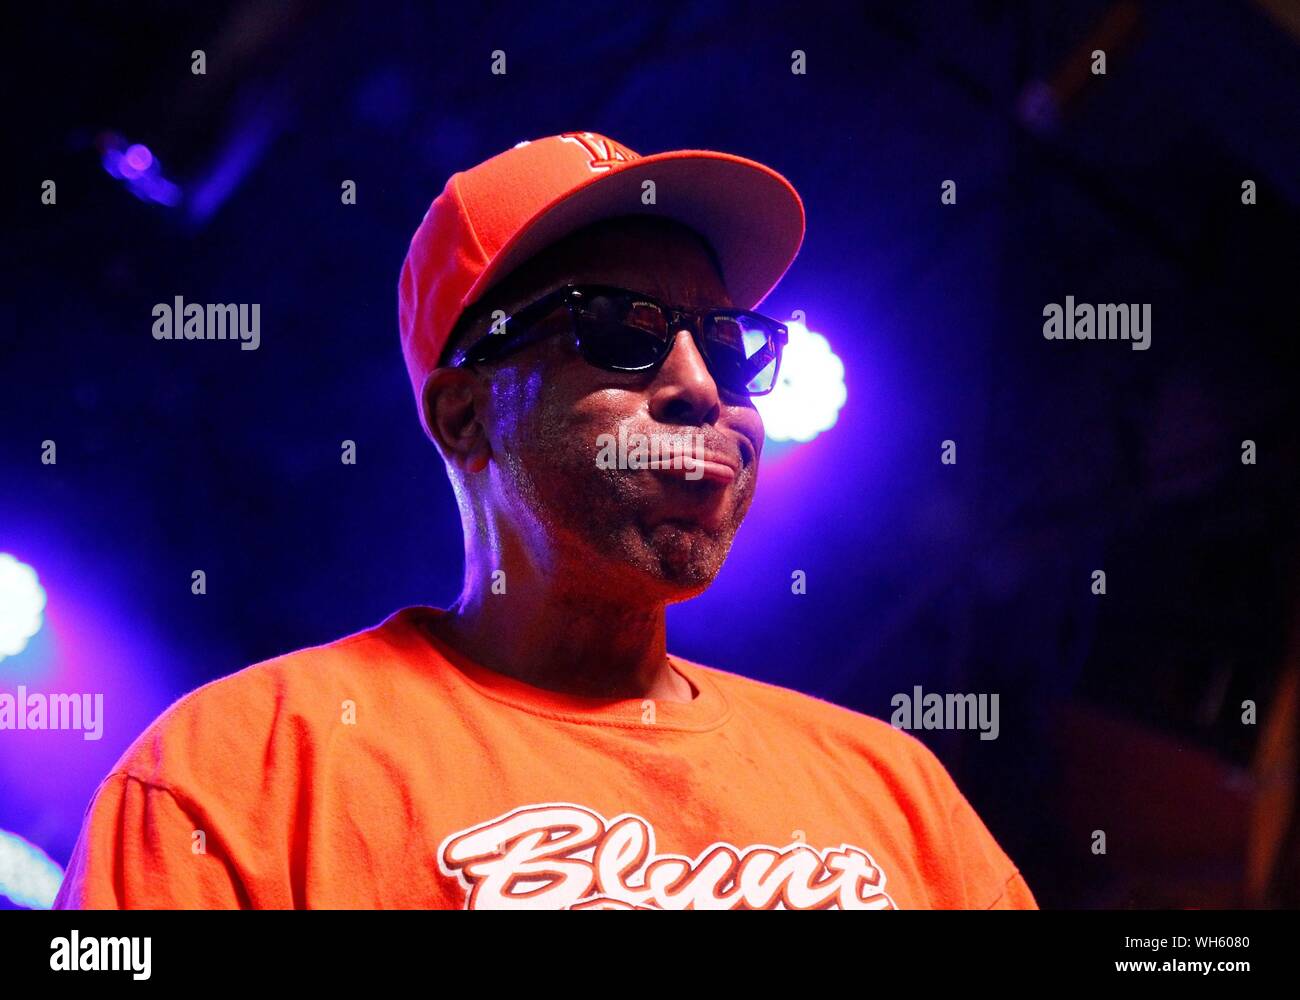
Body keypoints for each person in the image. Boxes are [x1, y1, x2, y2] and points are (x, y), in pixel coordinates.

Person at [54, 131, 1037, 910]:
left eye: (728, 344)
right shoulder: (234, 776)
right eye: (618, 329)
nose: (702, 388)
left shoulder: (894, 791)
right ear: (464, 414)